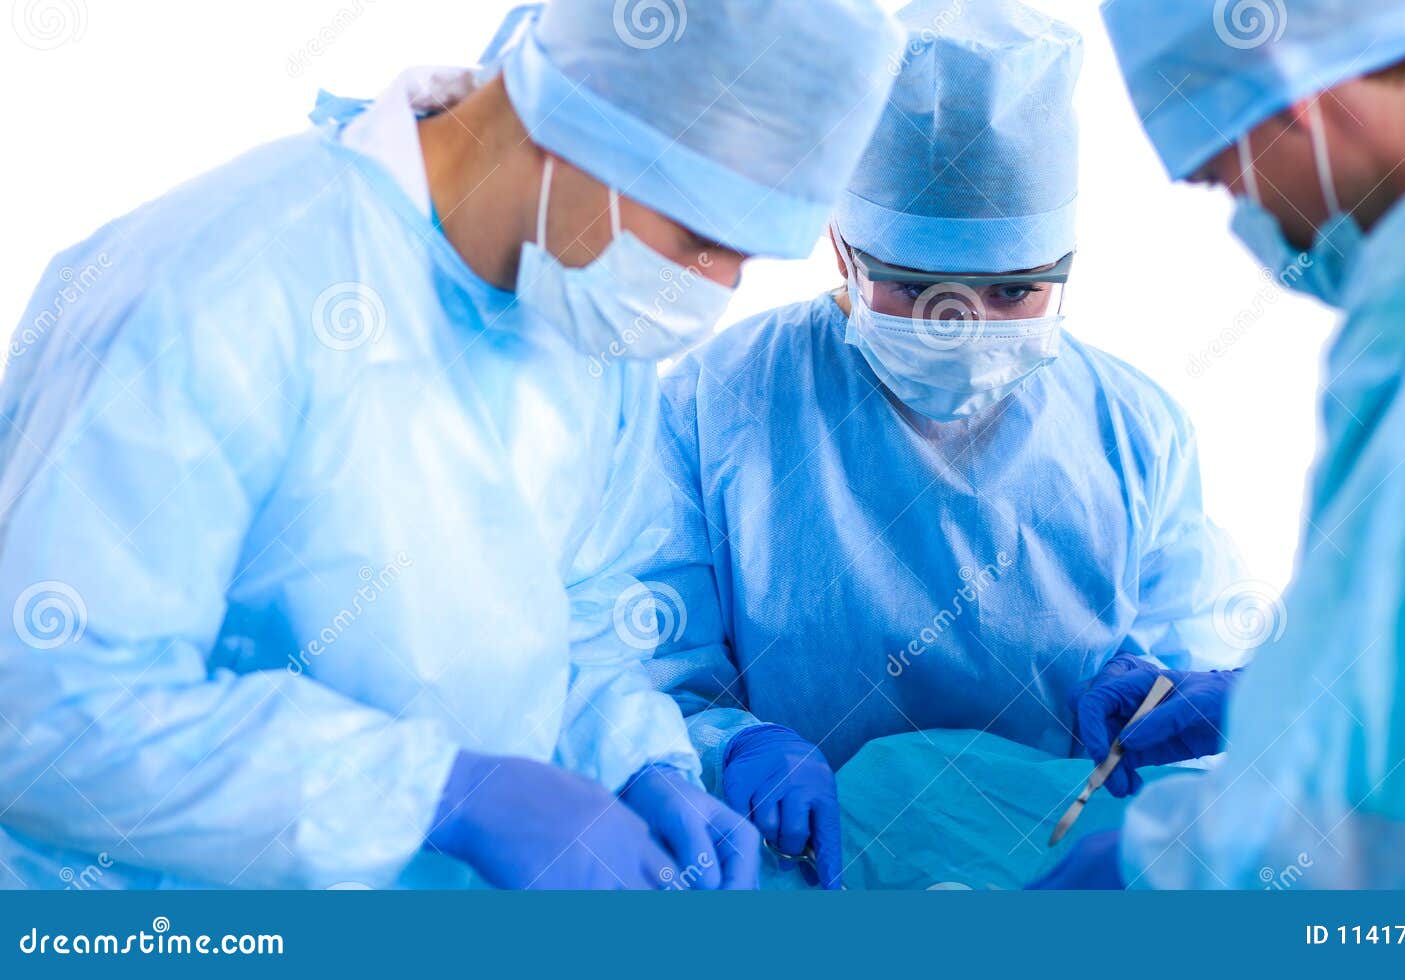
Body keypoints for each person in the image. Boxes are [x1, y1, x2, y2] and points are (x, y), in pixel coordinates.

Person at [0, 0, 904, 890]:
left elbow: (577, 609)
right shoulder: (225, 281)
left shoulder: (580, 312)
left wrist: (643, 763)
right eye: (705, 238)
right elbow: (49, 711)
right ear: (585, 120)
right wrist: (440, 794)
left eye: (746, 256)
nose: (713, 288)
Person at [639, 0, 1247, 890]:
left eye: (1013, 292)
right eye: (921, 287)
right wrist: (732, 745)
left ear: (1067, 265)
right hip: (796, 876)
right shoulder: (717, 401)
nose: (963, 323)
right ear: (843, 248)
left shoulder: (1133, 426)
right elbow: (639, 657)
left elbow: (1190, 696)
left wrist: (1149, 684)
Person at [1035, 0, 1405, 889]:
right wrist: (1286, 702)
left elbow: (1399, 817)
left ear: (1291, 103)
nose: (1256, 221)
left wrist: (1162, 877)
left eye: (1225, 180)